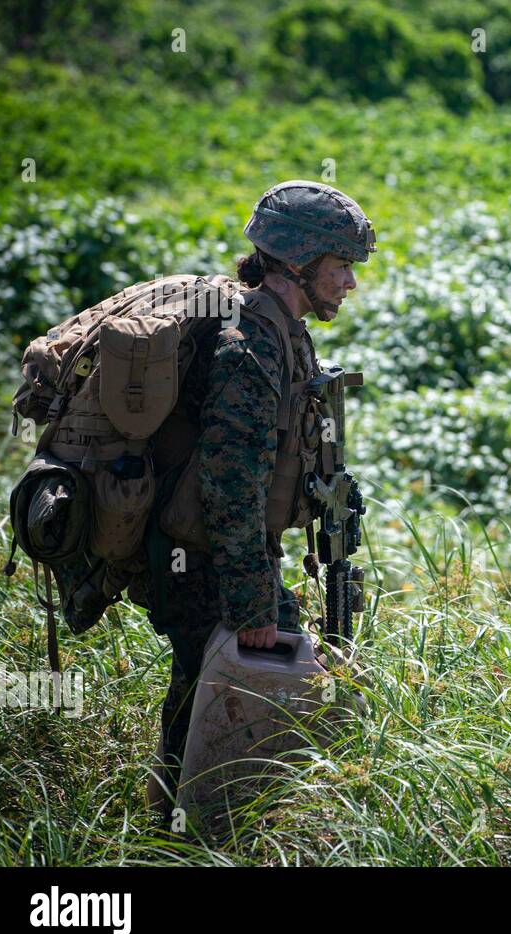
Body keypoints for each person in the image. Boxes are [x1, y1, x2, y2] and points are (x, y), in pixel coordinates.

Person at [142, 180, 375, 812]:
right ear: (299, 263)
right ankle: (202, 832)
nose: (349, 283)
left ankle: (181, 827)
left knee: (203, 692)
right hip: (201, 554)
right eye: (341, 266)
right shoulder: (250, 345)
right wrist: (253, 604)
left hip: (226, 549)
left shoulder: (284, 329)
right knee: (234, 691)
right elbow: (230, 478)